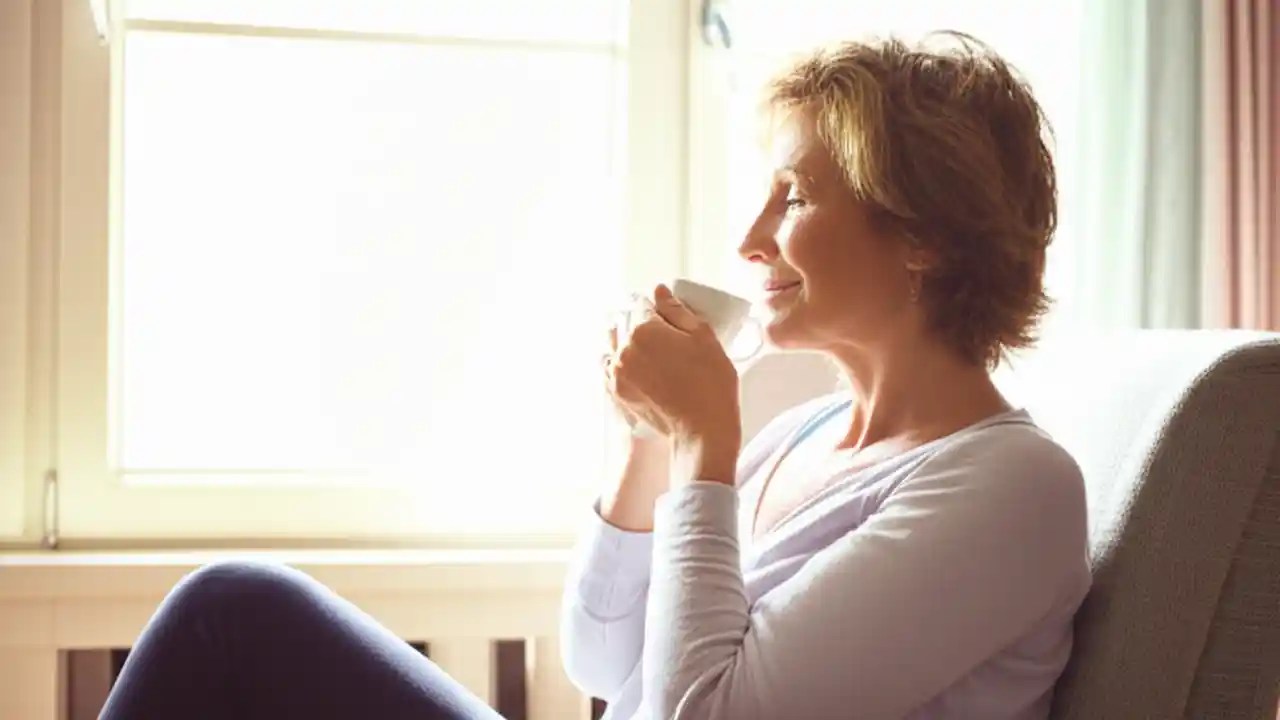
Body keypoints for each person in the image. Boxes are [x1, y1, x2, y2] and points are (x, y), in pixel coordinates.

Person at [99, 33, 1089, 720]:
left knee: (234, 616)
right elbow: (604, 663)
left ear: (917, 234)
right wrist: (648, 445)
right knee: (235, 610)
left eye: (791, 197)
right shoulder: (803, 434)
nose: (748, 239)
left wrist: (704, 442)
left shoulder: (1011, 488)